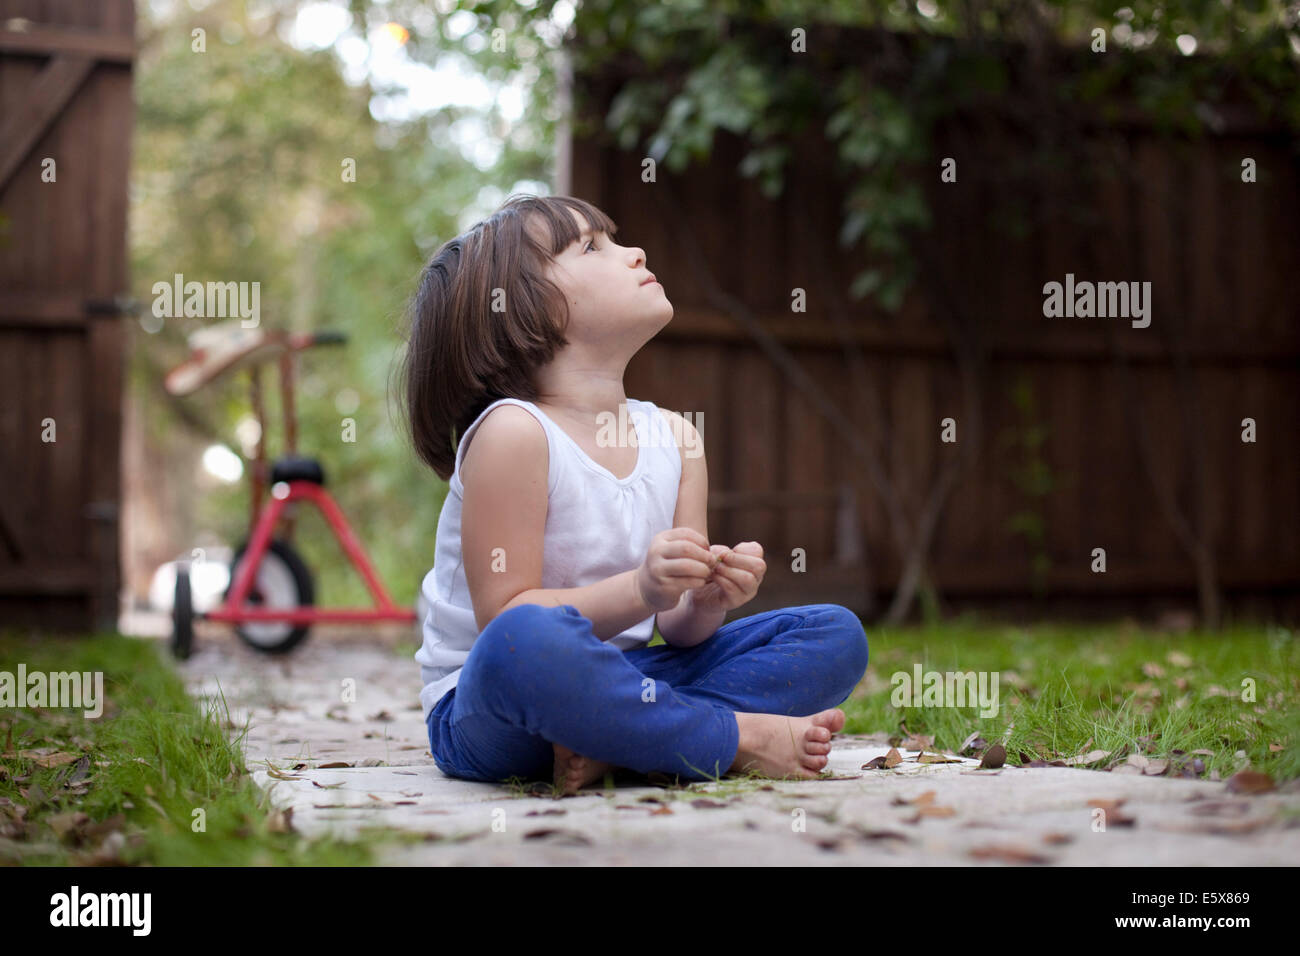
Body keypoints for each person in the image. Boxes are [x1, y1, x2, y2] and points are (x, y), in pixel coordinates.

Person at [397, 194, 869, 794]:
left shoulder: (677, 438)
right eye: (593, 246)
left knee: (832, 634)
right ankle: (731, 738)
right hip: (494, 699)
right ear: (526, 310)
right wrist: (641, 586)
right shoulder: (514, 433)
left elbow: (678, 631)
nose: (634, 252)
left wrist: (708, 598)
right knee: (529, 642)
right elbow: (504, 622)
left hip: (624, 679)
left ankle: (620, 742)